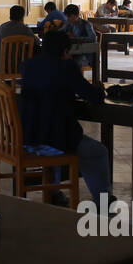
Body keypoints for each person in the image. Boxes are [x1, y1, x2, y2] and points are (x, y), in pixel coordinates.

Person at [18, 30, 112, 202]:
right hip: (54, 139)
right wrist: (98, 88)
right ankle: (103, 200)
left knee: (64, 141)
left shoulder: (28, 65)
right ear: (65, 51)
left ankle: (54, 193)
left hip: (27, 136)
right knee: (98, 152)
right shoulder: (67, 67)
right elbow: (94, 97)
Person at [0, 4, 29, 70]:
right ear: (22, 16)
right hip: (16, 67)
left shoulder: (2, 27)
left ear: (10, 15)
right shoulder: (24, 28)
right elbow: (37, 42)